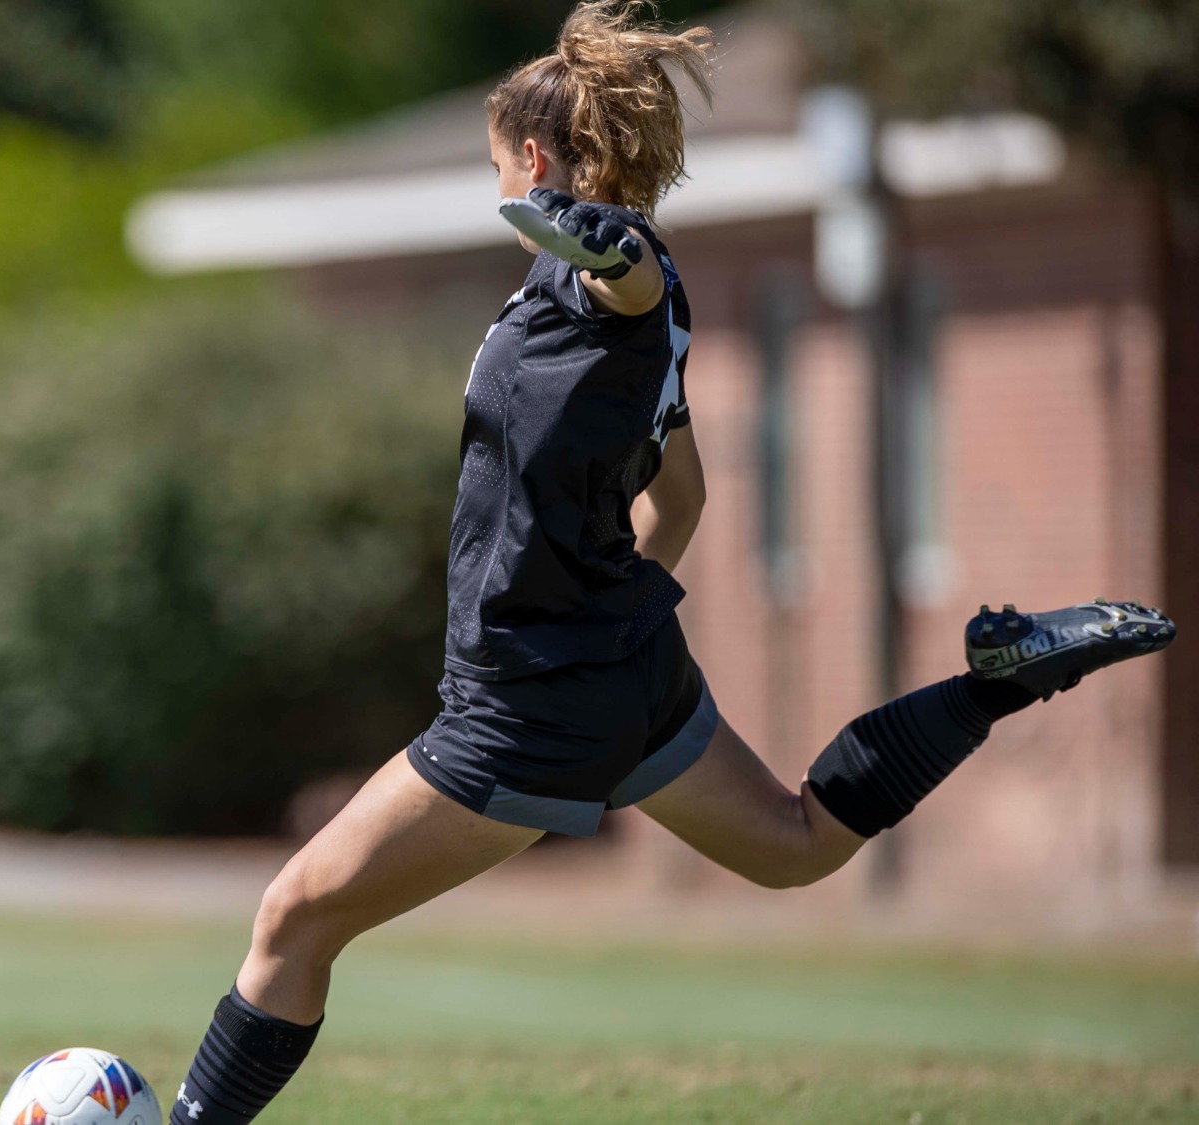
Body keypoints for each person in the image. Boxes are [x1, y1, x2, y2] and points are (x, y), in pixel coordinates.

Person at [160, 3, 1178, 1122]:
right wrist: (612, 613)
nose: (496, 188)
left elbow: (624, 280)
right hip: (621, 663)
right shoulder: (645, 315)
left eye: (497, 166)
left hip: (526, 698)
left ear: (534, 163)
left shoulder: (596, 286)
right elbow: (679, 496)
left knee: (293, 919)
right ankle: (997, 682)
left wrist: (604, 245)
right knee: (793, 847)